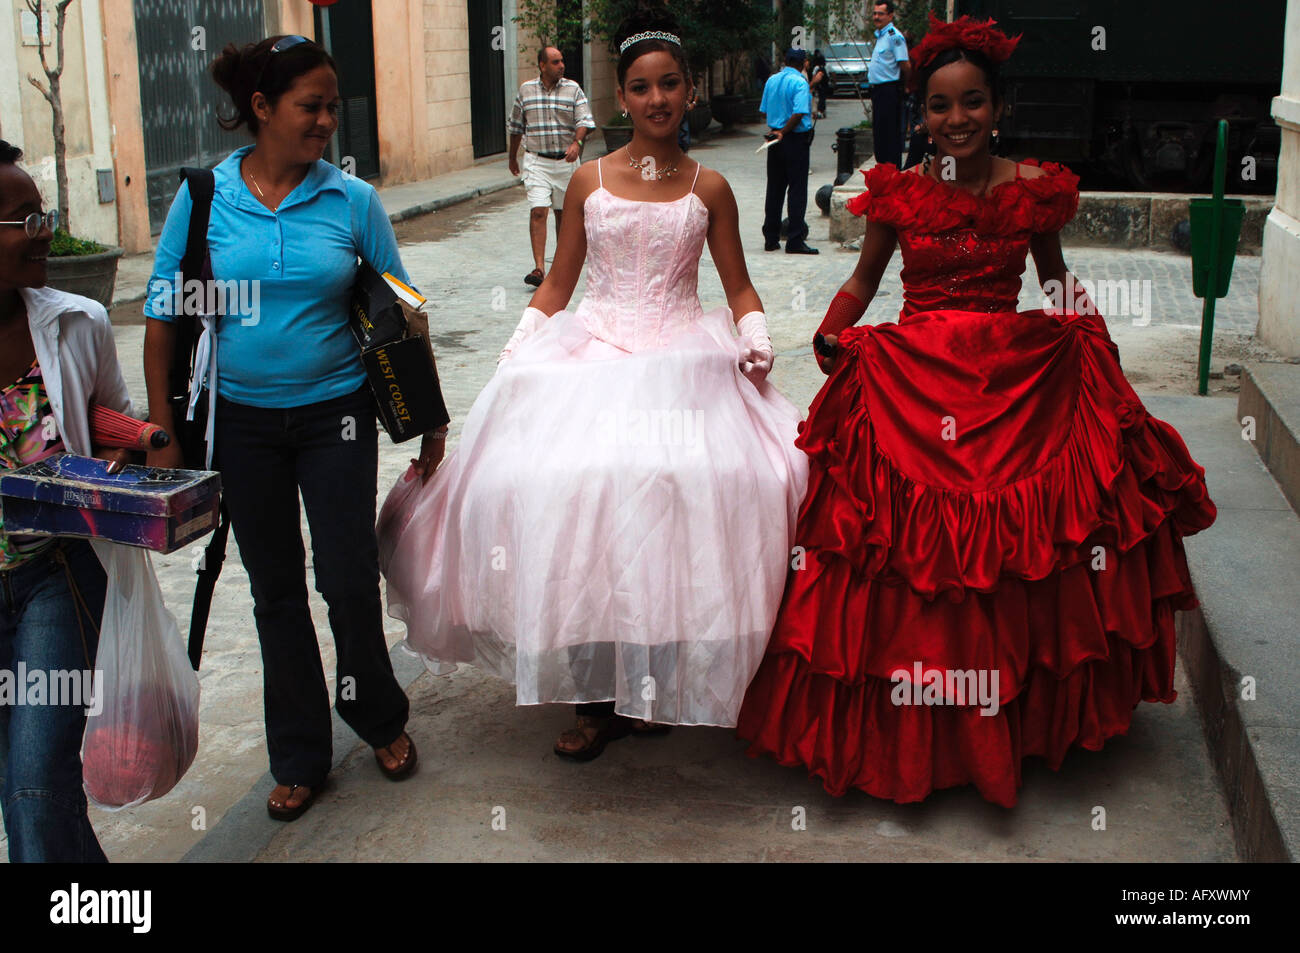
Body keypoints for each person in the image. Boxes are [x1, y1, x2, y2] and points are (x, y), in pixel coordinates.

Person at [736, 16, 1217, 808]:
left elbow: (1053, 282)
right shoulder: (897, 193)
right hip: (914, 382)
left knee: (1012, 555)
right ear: (920, 112)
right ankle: (920, 732)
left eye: (971, 103)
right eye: (937, 106)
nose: (954, 120)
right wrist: (832, 329)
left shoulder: (1033, 190)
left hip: (1011, 387)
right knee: (907, 558)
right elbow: (863, 280)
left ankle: (1009, 730)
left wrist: (1090, 334)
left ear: (997, 107)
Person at [378, 4, 808, 761]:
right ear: (621, 99)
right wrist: (519, 347)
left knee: (704, 488)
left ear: (690, 90)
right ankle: (590, 692)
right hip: (595, 352)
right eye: (640, 87)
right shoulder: (586, 182)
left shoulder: (710, 189)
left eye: (670, 83)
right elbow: (558, 285)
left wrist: (755, 333)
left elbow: (737, 284)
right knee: (575, 494)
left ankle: (656, 680)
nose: (657, 99)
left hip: (684, 359)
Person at [143, 36, 430, 823]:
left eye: (334, 106)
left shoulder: (351, 201)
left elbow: (400, 306)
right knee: (274, 591)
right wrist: (163, 433)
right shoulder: (203, 199)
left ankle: (377, 715)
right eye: (313, 106)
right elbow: (164, 317)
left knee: (344, 577)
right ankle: (300, 753)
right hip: (241, 423)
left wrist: (428, 423)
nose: (328, 122)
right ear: (262, 110)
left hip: (337, 414)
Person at [0, 140, 137, 861]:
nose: (44, 232)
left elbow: (117, 424)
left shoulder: (75, 321)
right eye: (23, 220)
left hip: (57, 577)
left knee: (35, 782)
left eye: (41, 213)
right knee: (32, 794)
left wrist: (122, 461)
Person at [508, 47, 596, 288]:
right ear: (542, 65)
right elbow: (516, 126)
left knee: (563, 215)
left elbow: (584, 121)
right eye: (555, 62)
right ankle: (539, 268)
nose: (561, 65)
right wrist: (512, 158)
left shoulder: (573, 89)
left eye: (562, 61)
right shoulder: (526, 91)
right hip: (537, 160)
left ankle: (561, 265)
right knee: (539, 210)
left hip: (566, 162)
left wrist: (577, 143)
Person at [759, 48, 818, 254]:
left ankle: (771, 238)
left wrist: (777, 129)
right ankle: (794, 239)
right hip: (794, 138)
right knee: (797, 189)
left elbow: (765, 109)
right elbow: (799, 112)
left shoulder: (772, 80)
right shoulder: (800, 83)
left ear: (785, 60)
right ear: (803, 64)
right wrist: (784, 130)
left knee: (774, 188)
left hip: (774, 138)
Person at [867, 1, 910, 166]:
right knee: (880, 134)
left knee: (890, 135)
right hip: (878, 91)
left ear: (890, 16)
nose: (876, 17)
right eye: (875, 13)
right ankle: (883, 169)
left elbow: (905, 65)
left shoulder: (894, 36)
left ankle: (891, 171)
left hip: (889, 90)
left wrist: (905, 86)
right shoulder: (881, 36)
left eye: (880, 14)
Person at [810, 51, 829, 119]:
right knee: (823, 98)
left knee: (818, 99)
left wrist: (812, 86)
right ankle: (823, 111)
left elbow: (814, 77)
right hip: (825, 85)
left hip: (818, 85)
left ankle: (819, 111)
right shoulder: (827, 67)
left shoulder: (816, 68)